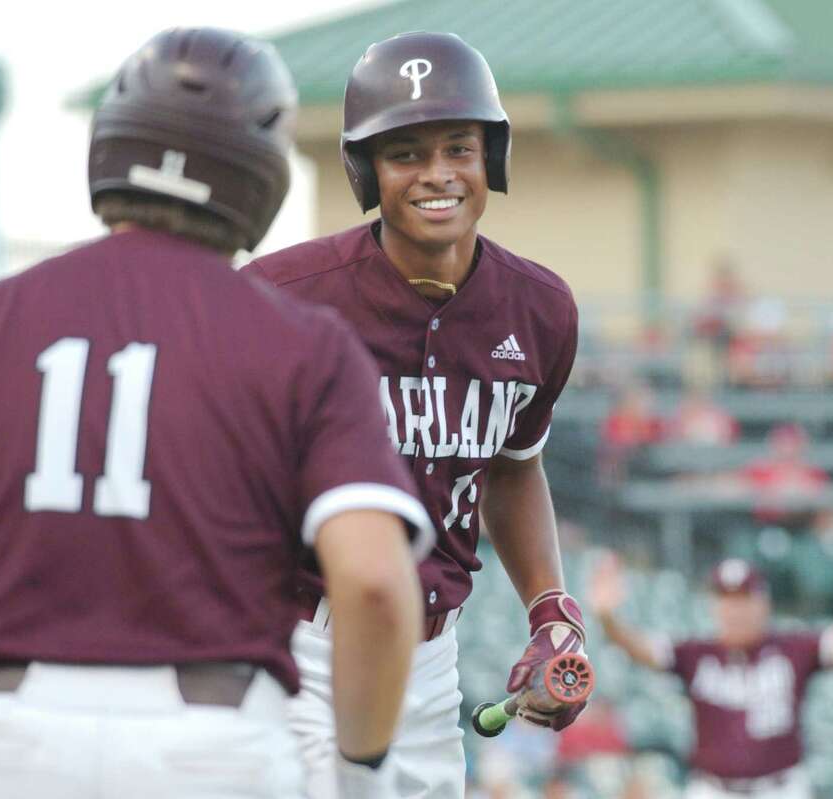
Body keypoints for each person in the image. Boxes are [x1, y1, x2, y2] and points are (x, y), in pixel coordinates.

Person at [0, 28, 430, 799]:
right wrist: (360, 772)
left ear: (111, 148)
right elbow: (377, 583)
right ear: (261, 176)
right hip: (213, 748)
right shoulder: (306, 344)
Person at [245, 31, 587, 798]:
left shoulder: (541, 308)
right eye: (405, 153)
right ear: (368, 169)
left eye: (457, 147)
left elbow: (515, 467)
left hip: (432, 661)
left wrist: (550, 609)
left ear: (488, 157)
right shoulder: (282, 293)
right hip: (297, 639)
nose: (437, 174)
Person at [590, 554, 833, 799]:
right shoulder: (696, 654)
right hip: (713, 789)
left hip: (781, 788)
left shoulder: (793, 650)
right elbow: (642, 649)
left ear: (763, 603)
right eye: (726, 600)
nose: (735, 611)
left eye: (744, 600)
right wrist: (607, 619)